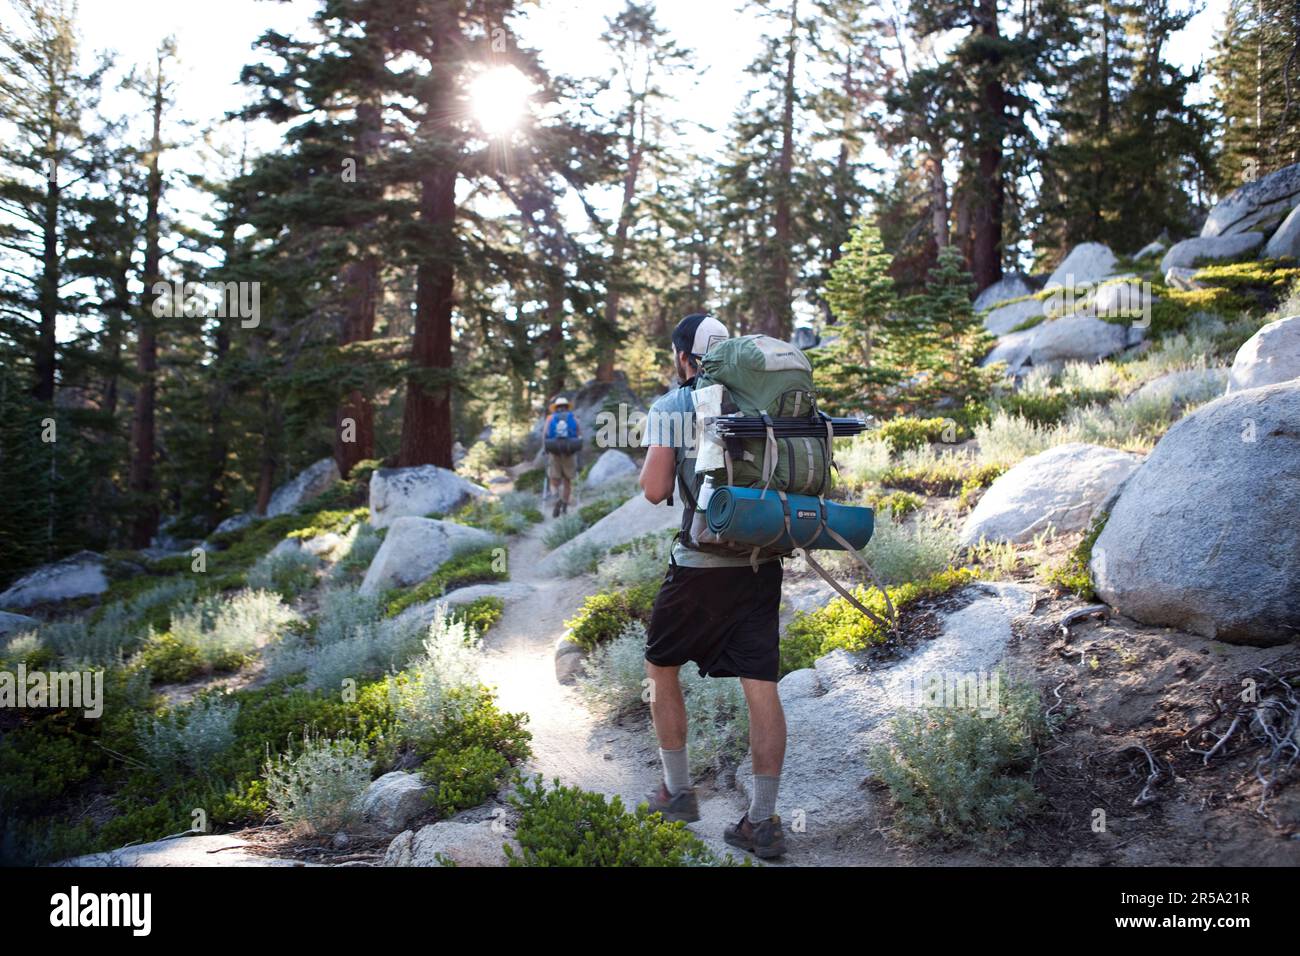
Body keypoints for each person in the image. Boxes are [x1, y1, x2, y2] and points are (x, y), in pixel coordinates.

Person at [637, 312, 788, 859]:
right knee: (761, 687)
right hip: (760, 562)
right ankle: (763, 822)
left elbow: (655, 490)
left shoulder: (675, 405)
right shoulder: (762, 397)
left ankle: (677, 792)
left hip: (699, 567)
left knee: (660, 669)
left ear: (683, 357)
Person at [543, 395, 579, 518]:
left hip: (554, 451)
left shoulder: (550, 418)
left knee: (554, 479)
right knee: (567, 480)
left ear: (556, 407)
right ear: (566, 407)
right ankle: (564, 504)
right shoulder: (573, 418)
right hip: (569, 452)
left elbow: (545, 435)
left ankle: (556, 497)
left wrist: (545, 449)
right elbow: (579, 434)